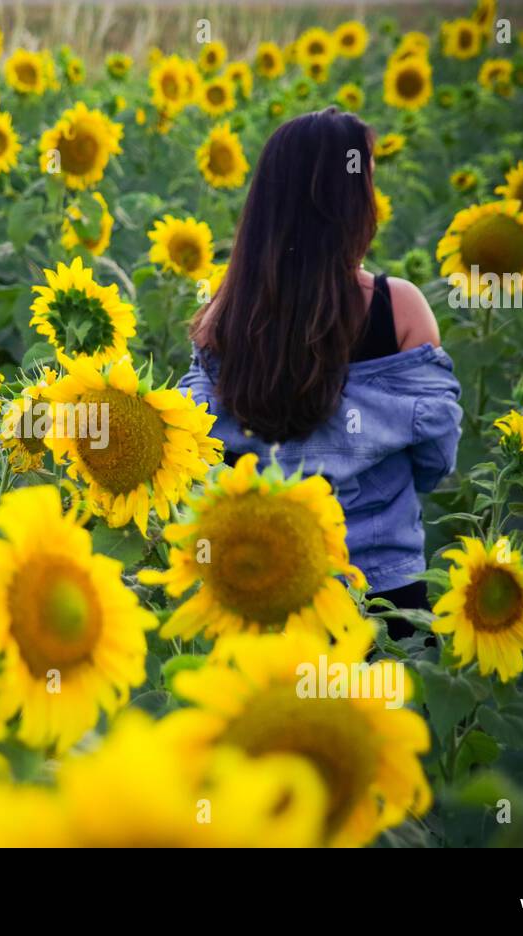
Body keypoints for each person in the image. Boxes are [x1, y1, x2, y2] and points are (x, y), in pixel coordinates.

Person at [180, 107, 462, 638]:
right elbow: (436, 458)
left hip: (263, 586)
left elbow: (199, 448)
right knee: (385, 717)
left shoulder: (226, 312)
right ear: (352, 202)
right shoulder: (396, 307)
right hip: (383, 592)